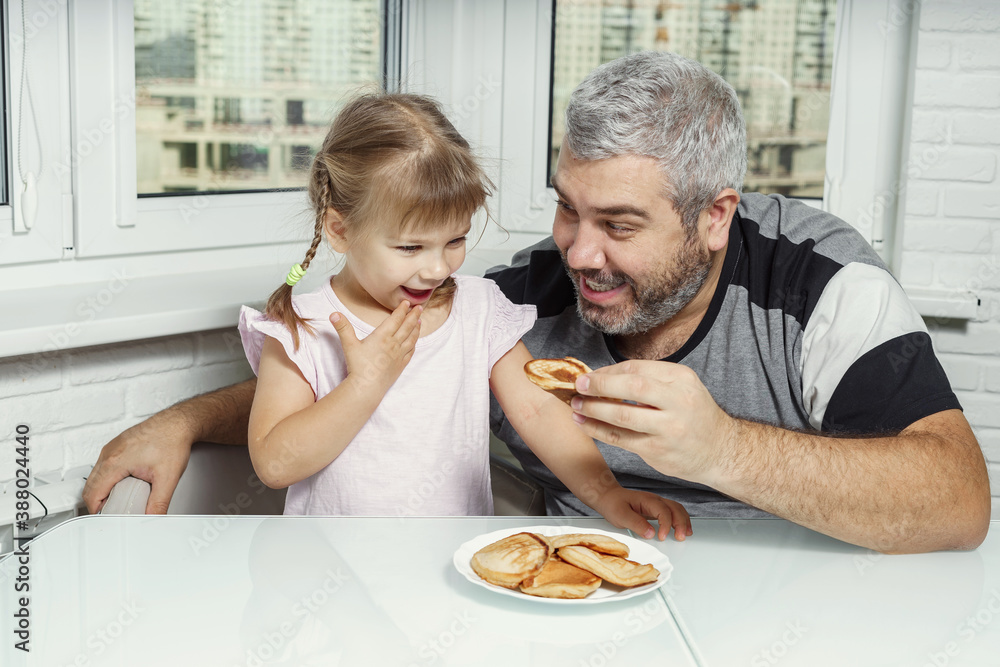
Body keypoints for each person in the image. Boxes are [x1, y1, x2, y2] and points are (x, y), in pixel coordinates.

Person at [84, 52, 990, 554]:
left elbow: (956, 501)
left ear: (716, 217)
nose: (578, 251)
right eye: (566, 206)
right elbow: (363, 370)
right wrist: (185, 418)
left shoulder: (821, 283)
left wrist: (706, 454)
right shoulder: (529, 285)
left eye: (620, 223)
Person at [225, 92, 688, 538]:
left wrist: (607, 494)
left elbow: (538, 410)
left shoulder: (478, 309)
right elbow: (274, 464)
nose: (437, 267)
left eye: (454, 240)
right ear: (340, 231)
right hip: (330, 590)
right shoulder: (302, 328)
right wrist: (365, 384)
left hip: (452, 576)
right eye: (410, 247)